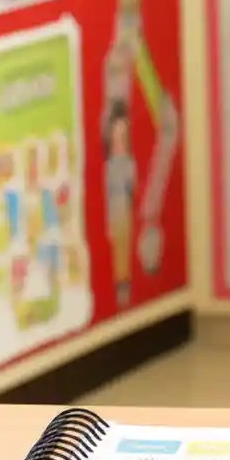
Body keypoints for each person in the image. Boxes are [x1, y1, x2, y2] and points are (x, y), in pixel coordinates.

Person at [103, 101, 136, 306]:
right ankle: (119, 284)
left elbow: (131, 190)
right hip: (115, 208)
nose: (118, 143)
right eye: (115, 138)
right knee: (118, 249)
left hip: (124, 208)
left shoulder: (129, 164)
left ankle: (124, 284)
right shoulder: (109, 167)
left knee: (124, 247)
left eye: (122, 138)